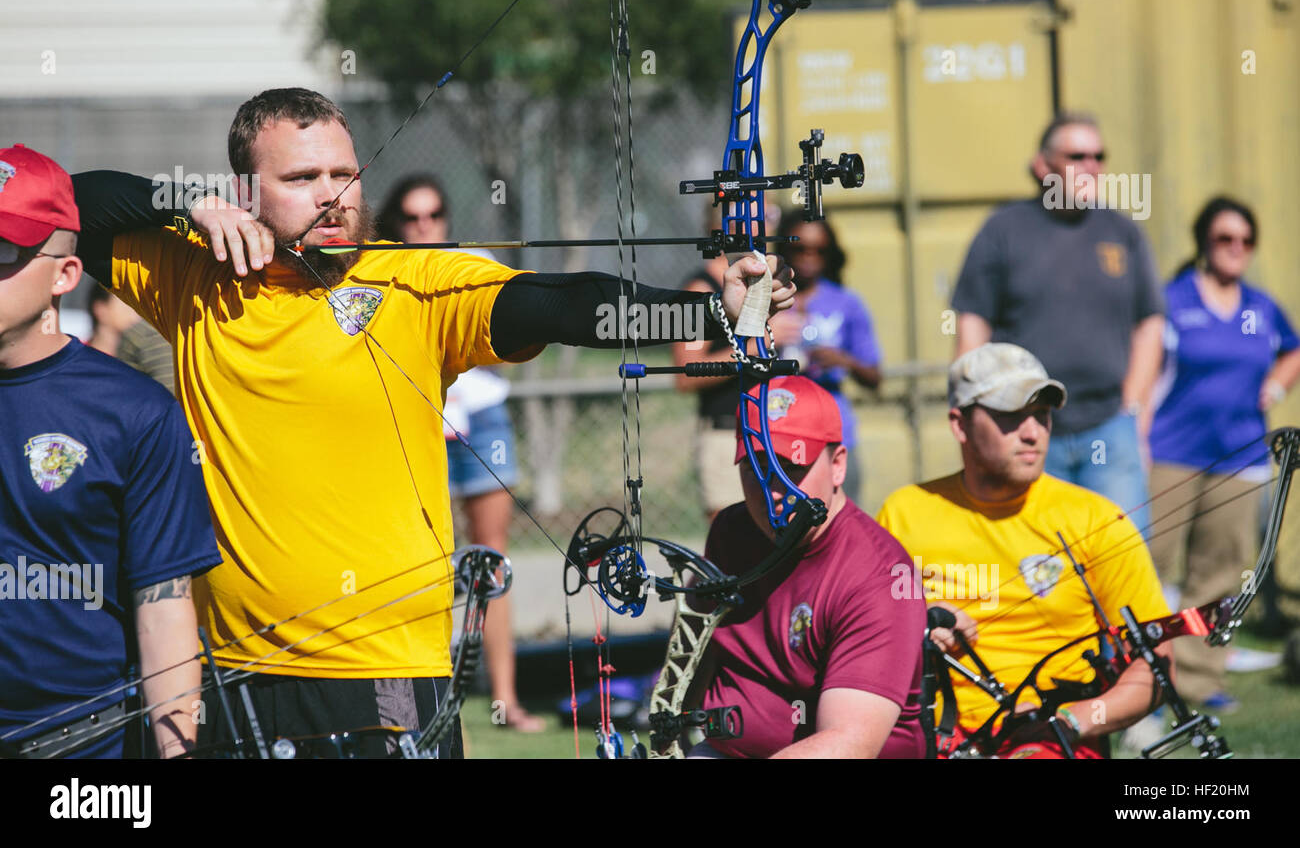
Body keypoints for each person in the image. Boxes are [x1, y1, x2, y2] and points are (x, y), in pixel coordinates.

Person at [69, 88, 796, 756]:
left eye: (343, 176)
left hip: (384, 672)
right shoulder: (193, 276)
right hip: (233, 668)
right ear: (242, 194)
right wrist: (187, 205)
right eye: (301, 180)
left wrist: (703, 311)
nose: (331, 198)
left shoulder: (415, 285)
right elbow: (67, 204)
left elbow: (566, 304)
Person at [0, 144, 220, 759]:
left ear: (65, 276)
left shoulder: (135, 413)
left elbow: (164, 608)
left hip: (85, 751)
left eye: (3, 251)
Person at [877, 343, 1172, 757]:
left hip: (1054, 741)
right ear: (959, 424)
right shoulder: (904, 512)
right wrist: (920, 630)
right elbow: (869, 643)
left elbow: (1156, 664)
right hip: (934, 736)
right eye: (1010, 417)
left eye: (1042, 415)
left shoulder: (1096, 518)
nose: (1032, 432)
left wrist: (1070, 721)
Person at [375, 173, 543, 733]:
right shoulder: (382, 271)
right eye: (412, 217)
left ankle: (504, 700)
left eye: (434, 215)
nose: (424, 226)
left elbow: (515, 342)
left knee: (489, 560)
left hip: (482, 422)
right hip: (415, 422)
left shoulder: (472, 263)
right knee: (415, 559)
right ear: (395, 223)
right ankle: (415, 705)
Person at [687, 376, 926, 758]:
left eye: (790, 468)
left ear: (838, 465)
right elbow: (691, 653)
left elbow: (849, 743)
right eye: (757, 467)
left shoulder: (882, 575)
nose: (773, 491)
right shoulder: (730, 531)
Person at [951, 112, 1164, 536]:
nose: (1092, 166)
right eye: (1076, 155)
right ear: (1042, 166)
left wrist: (1135, 413)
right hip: (1023, 429)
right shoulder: (1003, 231)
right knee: (1037, 564)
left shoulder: (1121, 232)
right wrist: (979, 416)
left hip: (1109, 427)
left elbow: (1149, 324)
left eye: (1099, 156)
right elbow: (973, 324)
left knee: (1123, 557)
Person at [1147, 196, 1300, 711]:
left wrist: (1277, 387)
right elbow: (1145, 368)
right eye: (1224, 238)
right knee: (1146, 566)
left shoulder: (1260, 307)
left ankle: (1196, 681)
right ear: (1204, 244)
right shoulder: (1173, 299)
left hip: (1239, 459)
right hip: (1170, 454)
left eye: (1245, 240)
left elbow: (1293, 347)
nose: (1236, 249)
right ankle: (1130, 680)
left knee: (1219, 576)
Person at [769, 211, 881, 501]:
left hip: (835, 432)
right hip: (777, 430)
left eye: (819, 250)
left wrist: (844, 360)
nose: (809, 257)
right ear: (783, 249)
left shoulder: (847, 302)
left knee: (843, 520)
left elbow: (874, 376)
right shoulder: (765, 300)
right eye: (799, 248)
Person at [672, 205, 745, 523]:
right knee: (730, 553)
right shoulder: (699, 290)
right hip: (725, 436)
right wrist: (746, 352)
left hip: (769, 432)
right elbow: (686, 374)